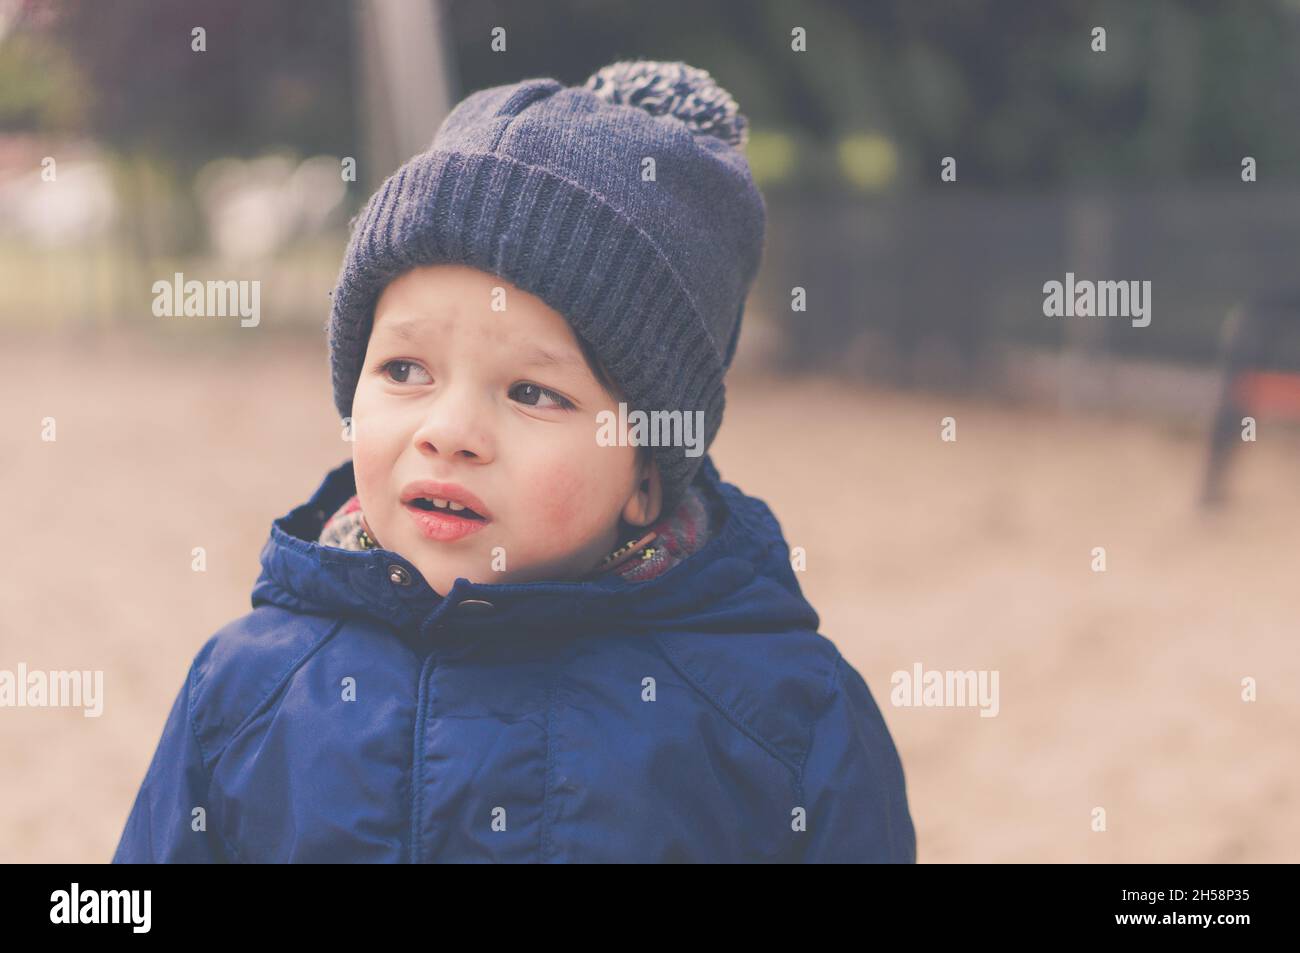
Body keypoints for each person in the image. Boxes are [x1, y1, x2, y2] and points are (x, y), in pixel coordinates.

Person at [111, 59, 916, 863]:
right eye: (404, 370)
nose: (450, 430)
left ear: (645, 478)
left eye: (532, 391)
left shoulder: (781, 720)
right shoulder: (246, 690)